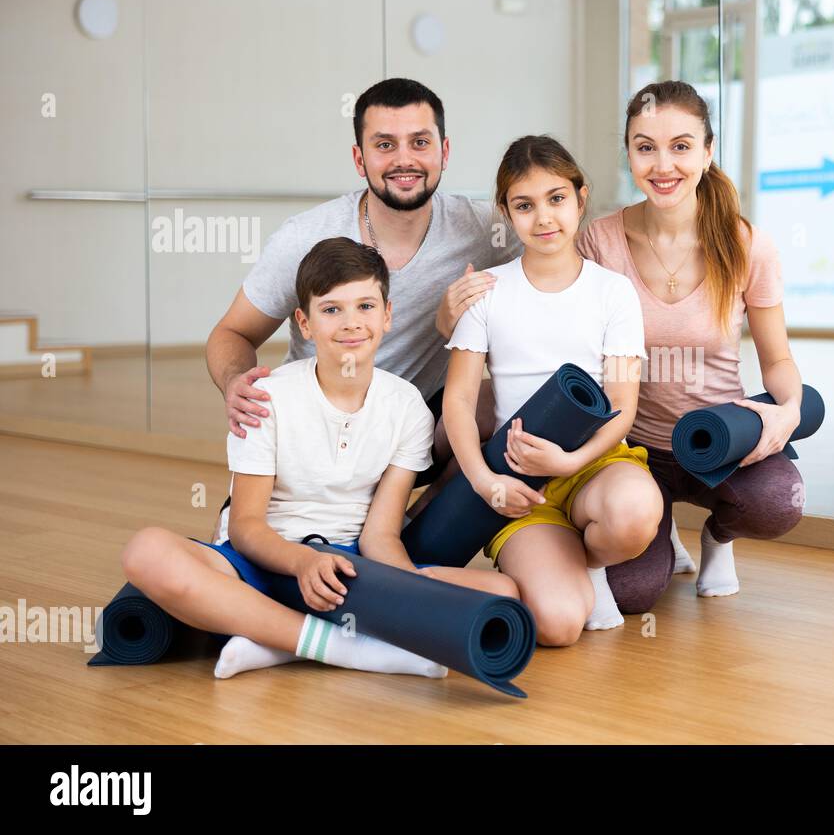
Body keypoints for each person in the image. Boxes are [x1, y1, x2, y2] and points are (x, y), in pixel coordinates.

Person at [120, 237, 518, 680]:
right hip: (265, 560)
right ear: (304, 323)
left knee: (501, 591)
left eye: (365, 306)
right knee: (147, 550)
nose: (351, 323)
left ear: (387, 315)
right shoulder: (266, 397)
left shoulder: (407, 406)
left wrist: (407, 591)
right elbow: (247, 526)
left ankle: (273, 640)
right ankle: (336, 646)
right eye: (331, 310)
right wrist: (302, 562)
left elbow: (381, 535)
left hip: (352, 568)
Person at [205, 78, 521, 519]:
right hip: (315, 431)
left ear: (444, 152)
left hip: (413, 428)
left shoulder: (485, 230)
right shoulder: (305, 237)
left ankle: (419, 529)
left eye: (420, 142)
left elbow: (560, 258)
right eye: (385, 145)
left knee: (504, 402)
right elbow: (232, 332)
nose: (404, 159)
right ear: (360, 158)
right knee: (251, 549)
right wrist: (235, 383)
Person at [577, 80, 804, 612]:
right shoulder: (600, 243)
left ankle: (716, 538)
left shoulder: (748, 244)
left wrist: (788, 412)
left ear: (707, 152)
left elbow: (777, 359)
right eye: (645, 147)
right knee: (632, 594)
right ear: (629, 154)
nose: (663, 165)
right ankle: (658, 523)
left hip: (717, 443)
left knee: (779, 502)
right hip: (631, 449)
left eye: (681, 146)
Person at [442, 135, 662, 646]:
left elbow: (622, 407)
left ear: (581, 197)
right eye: (525, 205)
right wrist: (483, 481)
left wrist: (568, 462)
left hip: (596, 465)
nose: (544, 218)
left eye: (557, 199)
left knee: (634, 513)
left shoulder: (612, 291)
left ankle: (592, 565)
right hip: (517, 480)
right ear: (506, 212)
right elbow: (457, 400)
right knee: (559, 626)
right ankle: (556, 574)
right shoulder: (487, 293)